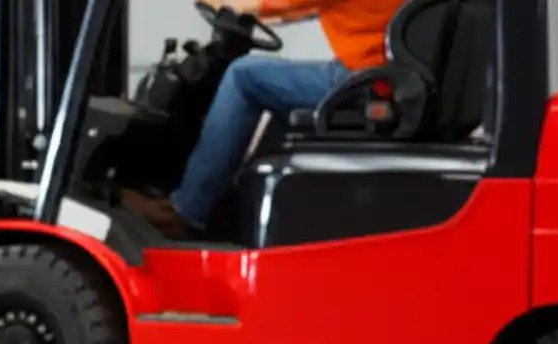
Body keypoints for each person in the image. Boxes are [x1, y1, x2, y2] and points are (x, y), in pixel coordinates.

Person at [122, 0, 408, 239]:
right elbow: (298, 8)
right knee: (274, 92)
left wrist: (224, 3)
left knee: (244, 76)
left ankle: (187, 211)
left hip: (366, 77)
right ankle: (235, 200)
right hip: (381, 71)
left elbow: (274, 2)